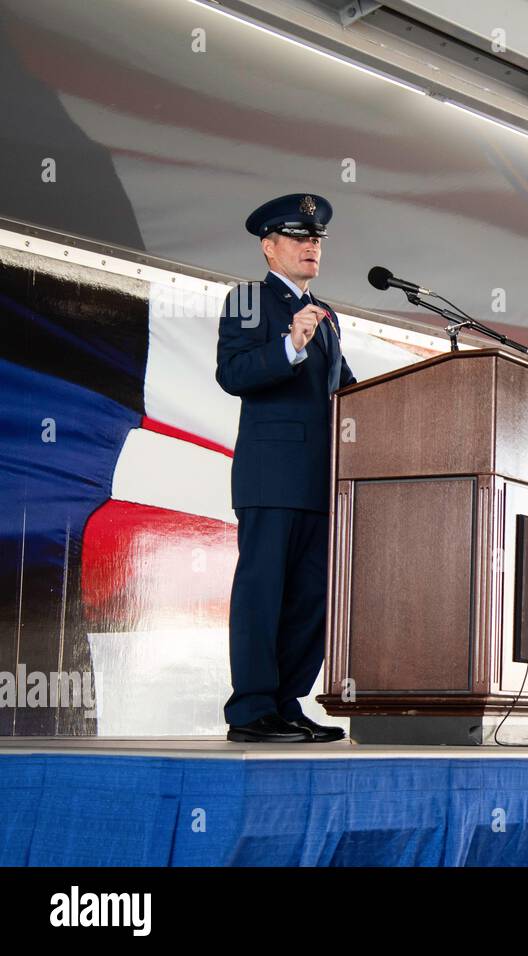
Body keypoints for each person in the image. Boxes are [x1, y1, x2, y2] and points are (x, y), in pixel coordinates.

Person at [215, 193, 356, 743]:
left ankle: (286, 702)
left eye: (316, 239)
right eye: (299, 238)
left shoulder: (327, 315)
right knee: (263, 591)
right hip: (271, 475)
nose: (311, 246)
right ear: (268, 246)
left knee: (308, 597)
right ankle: (251, 710)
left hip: (321, 479)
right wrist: (289, 345)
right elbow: (234, 373)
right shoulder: (250, 299)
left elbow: (344, 388)